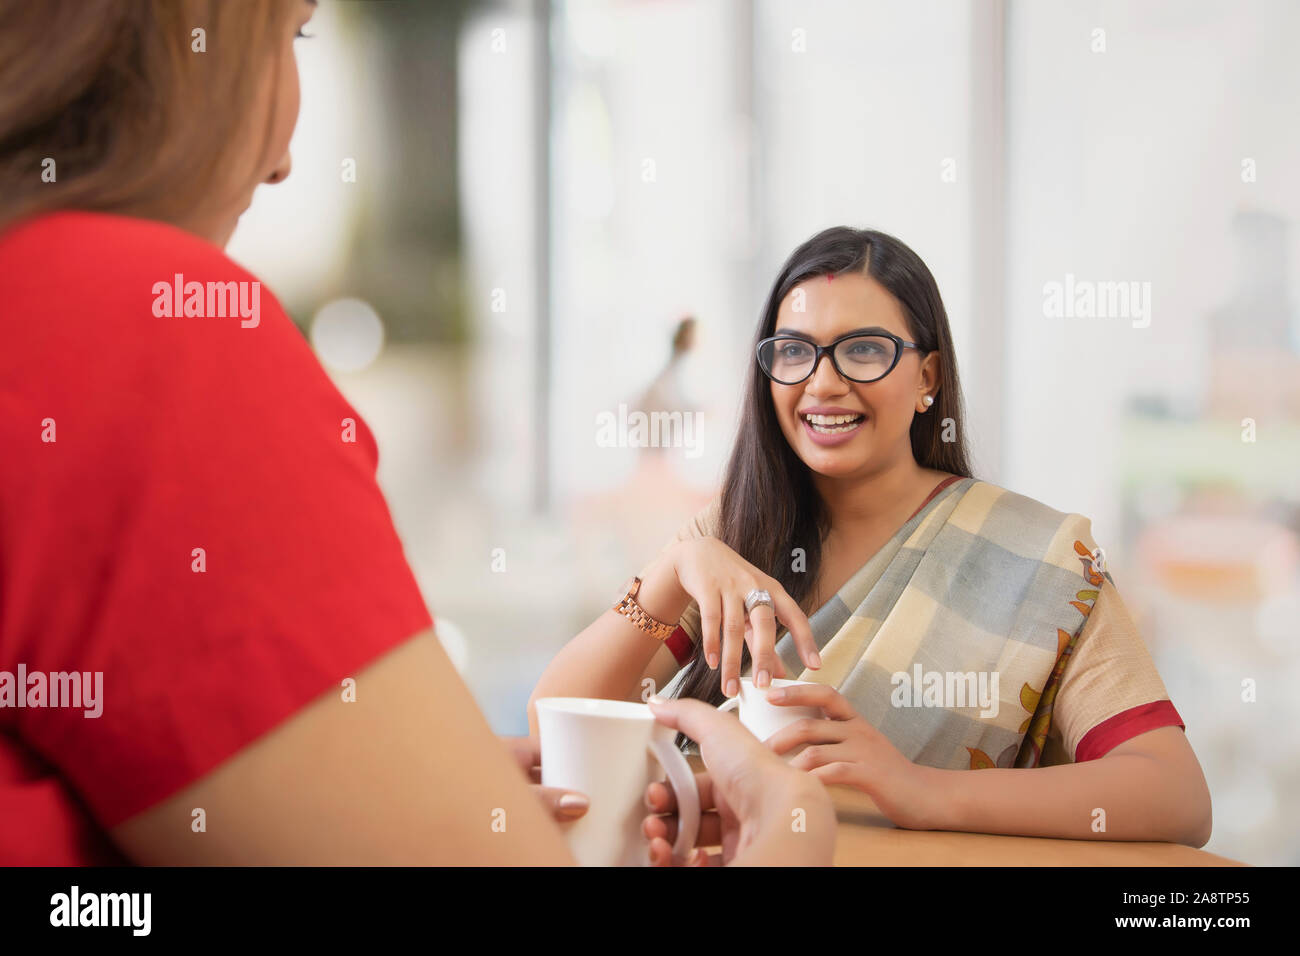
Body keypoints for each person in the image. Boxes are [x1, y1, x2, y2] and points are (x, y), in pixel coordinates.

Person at [0, 0, 834, 866]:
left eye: (864, 350)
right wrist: (789, 840)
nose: (284, 158)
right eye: (291, 35)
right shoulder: (145, 329)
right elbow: (565, 714)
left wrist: (421, 800)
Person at [533, 226, 1214, 851]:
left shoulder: (1036, 559)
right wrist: (671, 568)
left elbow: (1173, 791)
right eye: (794, 352)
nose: (823, 383)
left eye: (863, 350)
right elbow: (552, 735)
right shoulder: (732, 539)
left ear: (927, 377)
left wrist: (919, 791)